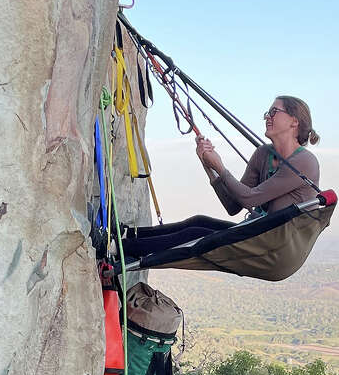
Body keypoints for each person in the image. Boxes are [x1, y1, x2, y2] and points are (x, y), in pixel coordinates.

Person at [120, 96, 320, 257]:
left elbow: (250, 198)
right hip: (257, 233)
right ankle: (127, 236)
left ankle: (121, 250)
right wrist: (209, 166)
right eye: (267, 112)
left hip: (277, 248)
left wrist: (220, 167)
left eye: (274, 112)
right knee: (198, 222)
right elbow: (234, 206)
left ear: (294, 121)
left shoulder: (304, 162)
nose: (268, 116)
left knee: (195, 234)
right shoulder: (263, 154)